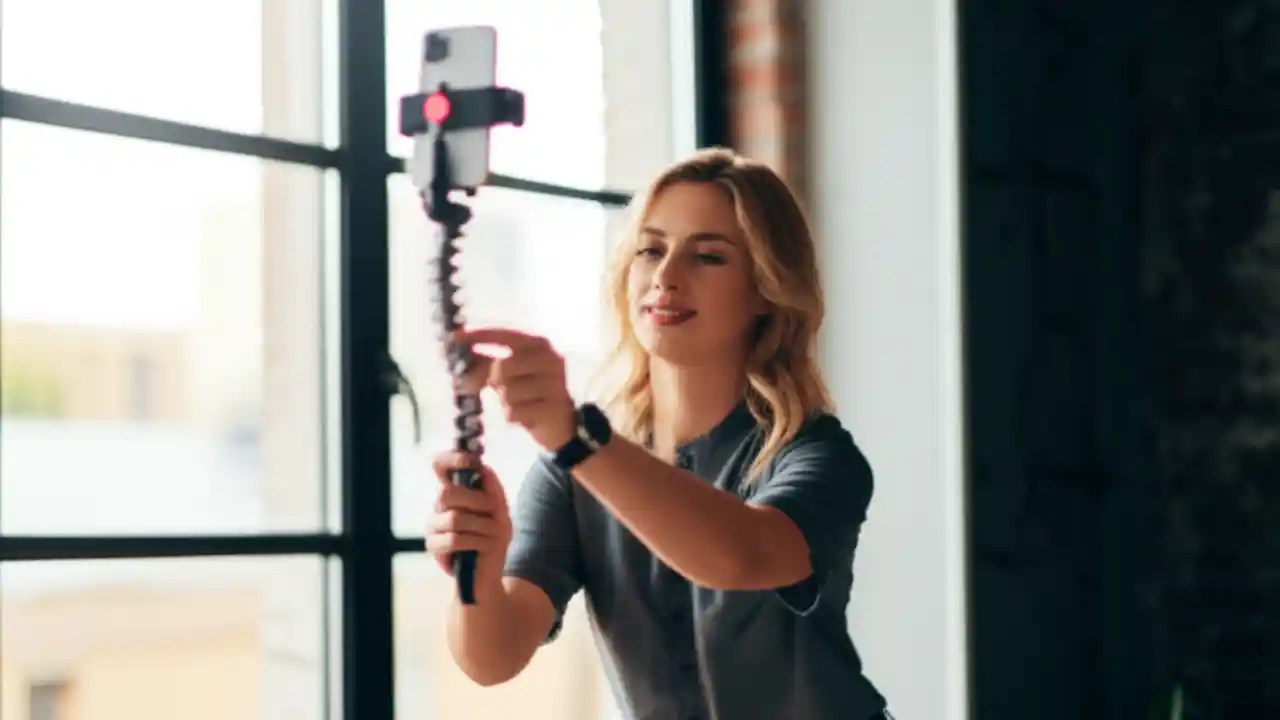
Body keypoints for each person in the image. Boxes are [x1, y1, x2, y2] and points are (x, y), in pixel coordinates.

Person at [426, 147, 892, 720]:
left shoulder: (817, 455)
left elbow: (743, 557)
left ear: (766, 288)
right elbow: (491, 659)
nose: (667, 277)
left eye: (708, 257)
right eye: (651, 249)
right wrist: (482, 563)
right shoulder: (571, 473)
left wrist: (574, 436)